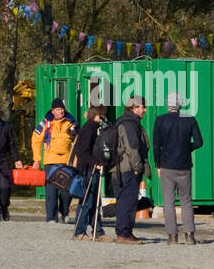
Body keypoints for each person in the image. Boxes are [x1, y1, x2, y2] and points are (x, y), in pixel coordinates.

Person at [153, 92, 203, 244]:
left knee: (168, 201)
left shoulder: (160, 120)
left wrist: (158, 164)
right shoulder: (190, 119)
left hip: (167, 165)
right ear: (181, 104)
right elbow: (199, 142)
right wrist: (187, 147)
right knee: (186, 200)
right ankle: (190, 235)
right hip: (184, 165)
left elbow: (156, 145)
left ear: (168, 104)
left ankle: (172, 236)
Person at [31, 97, 78, 224]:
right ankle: (51, 218)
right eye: (58, 109)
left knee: (66, 191)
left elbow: (78, 141)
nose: (61, 111)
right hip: (50, 161)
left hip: (66, 161)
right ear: (53, 111)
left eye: (62, 109)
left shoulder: (71, 123)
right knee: (51, 191)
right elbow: (35, 140)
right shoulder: (45, 123)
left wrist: (76, 159)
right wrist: (37, 159)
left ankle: (64, 212)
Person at [70, 106, 111, 241]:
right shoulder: (90, 130)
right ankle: (80, 231)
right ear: (96, 116)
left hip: (90, 168)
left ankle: (98, 230)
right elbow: (84, 151)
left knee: (94, 201)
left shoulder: (90, 128)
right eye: (101, 117)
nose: (103, 119)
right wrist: (95, 163)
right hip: (88, 170)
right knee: (87, 201)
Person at [113, 96, 150, 245]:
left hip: (120, 168)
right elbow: (132, 148)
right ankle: (123, 233)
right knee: (128, 201)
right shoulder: (130, 124)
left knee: (124, 201)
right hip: (128, 168)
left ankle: (125, 231)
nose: (145, 110)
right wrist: (137, 167)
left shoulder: (122, 122)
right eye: (142, 107)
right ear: (134, 108)